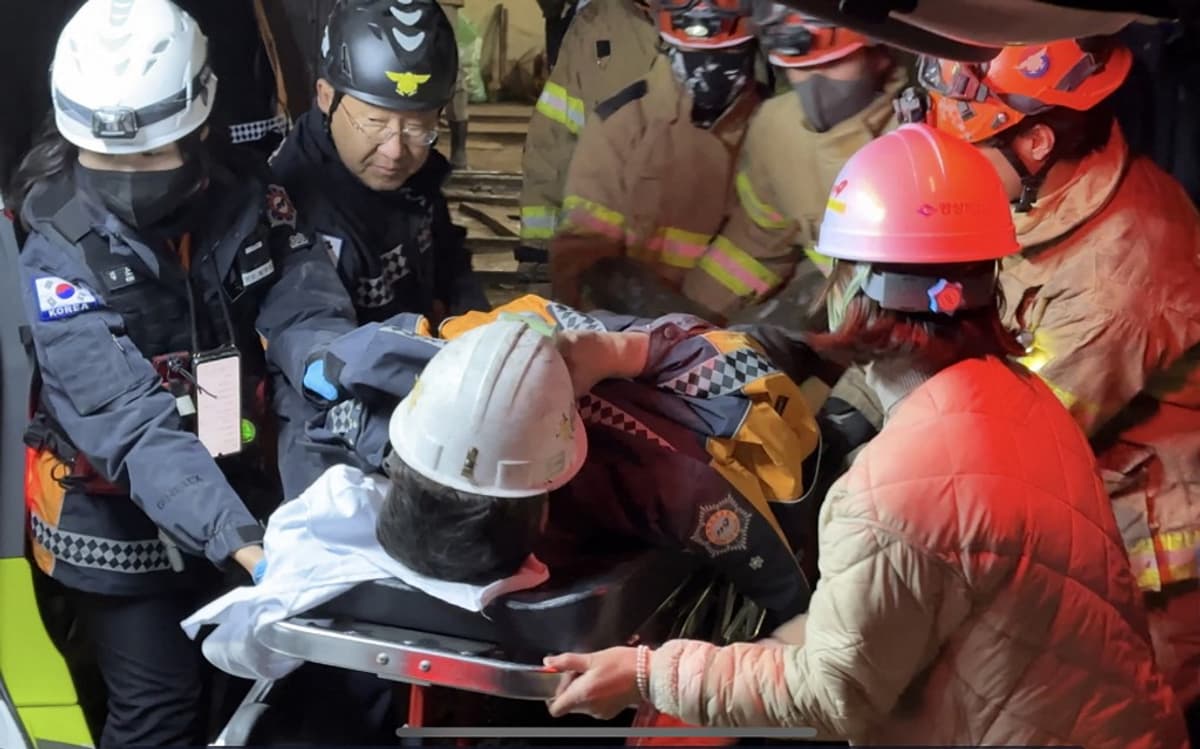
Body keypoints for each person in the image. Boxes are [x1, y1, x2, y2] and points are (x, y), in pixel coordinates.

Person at [537, 123, 1189, 748]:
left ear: (853, 289)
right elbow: (874, 628)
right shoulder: (1020, 397)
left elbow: (833, 691)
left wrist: (654, 675)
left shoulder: (894, 491)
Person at [7, 0, 373, 744]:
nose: (131, 178)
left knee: (242, 694)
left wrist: (349, 384)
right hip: (111, 514)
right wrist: (250, 545)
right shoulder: (55, 247)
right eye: (108, 161)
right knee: (160, 706)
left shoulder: (249, 197)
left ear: (199, 123)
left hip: (230, 473)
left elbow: (304, 314)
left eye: (151, 156)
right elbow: (130, 424)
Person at [921, 38, 1200, 731]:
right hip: (1084, 503)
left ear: (1037, 141)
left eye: (963, 144)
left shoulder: (1116, 277)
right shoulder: (1045, 197)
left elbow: (1020, 429)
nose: (945, 161)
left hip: (1152, 556)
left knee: (1124, 720)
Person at [291, 295, 847, 621]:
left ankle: (827, 349)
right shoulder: (406, 378)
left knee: (775, 354)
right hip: (541, 338)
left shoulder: (673, 480)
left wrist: (796, 628)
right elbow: (324, 368)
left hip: (674, 363)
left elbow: (779, 574)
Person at [268, 0, 489, 498]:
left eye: (417, 127)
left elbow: (450, 266)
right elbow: (308, 374)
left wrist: (479, 336)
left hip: (424, 403)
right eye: (374, 123)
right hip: (337, 444)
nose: (396, 150)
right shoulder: (286, 206)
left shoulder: (414, 181)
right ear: (326, 97)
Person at [679, 4, 905, 324]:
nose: (815, 82)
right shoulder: (776, 129)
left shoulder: (922, 146)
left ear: (881, 54)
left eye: (835, 62)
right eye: (801, 65)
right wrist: (687, 320)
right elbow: (755, 242)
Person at [548, 0, 766, 315]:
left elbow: (775, 252)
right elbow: (582, 260)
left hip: (736, 337)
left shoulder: (777, 128)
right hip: (636, 336)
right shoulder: (623, 125)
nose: (708, 68)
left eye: (727, 55)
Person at [516, 0, 660, 268]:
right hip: (612, 264)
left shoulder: (737, 24)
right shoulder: (596, 25)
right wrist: (539, 254)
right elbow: (553, 145)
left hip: (708, 281)